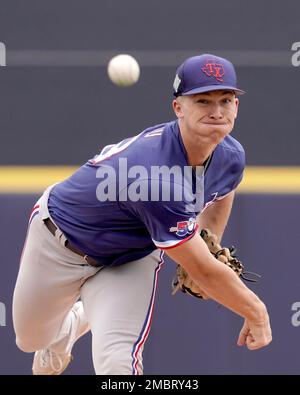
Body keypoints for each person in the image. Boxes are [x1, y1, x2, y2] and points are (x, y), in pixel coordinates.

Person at [13, 53, 272, 375]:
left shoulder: (231, 154)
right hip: (61, 243)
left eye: (226, 100)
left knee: (117, 362)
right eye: (203, 100)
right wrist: (256, 311)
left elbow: (222, 191)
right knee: (31, 338)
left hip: (131, 256)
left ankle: (94, 310)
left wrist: (209, 240)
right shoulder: (154, 176)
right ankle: (73, 323)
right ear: (179, 107)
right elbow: (203, 271)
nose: (216, 111)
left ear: (236, 105)